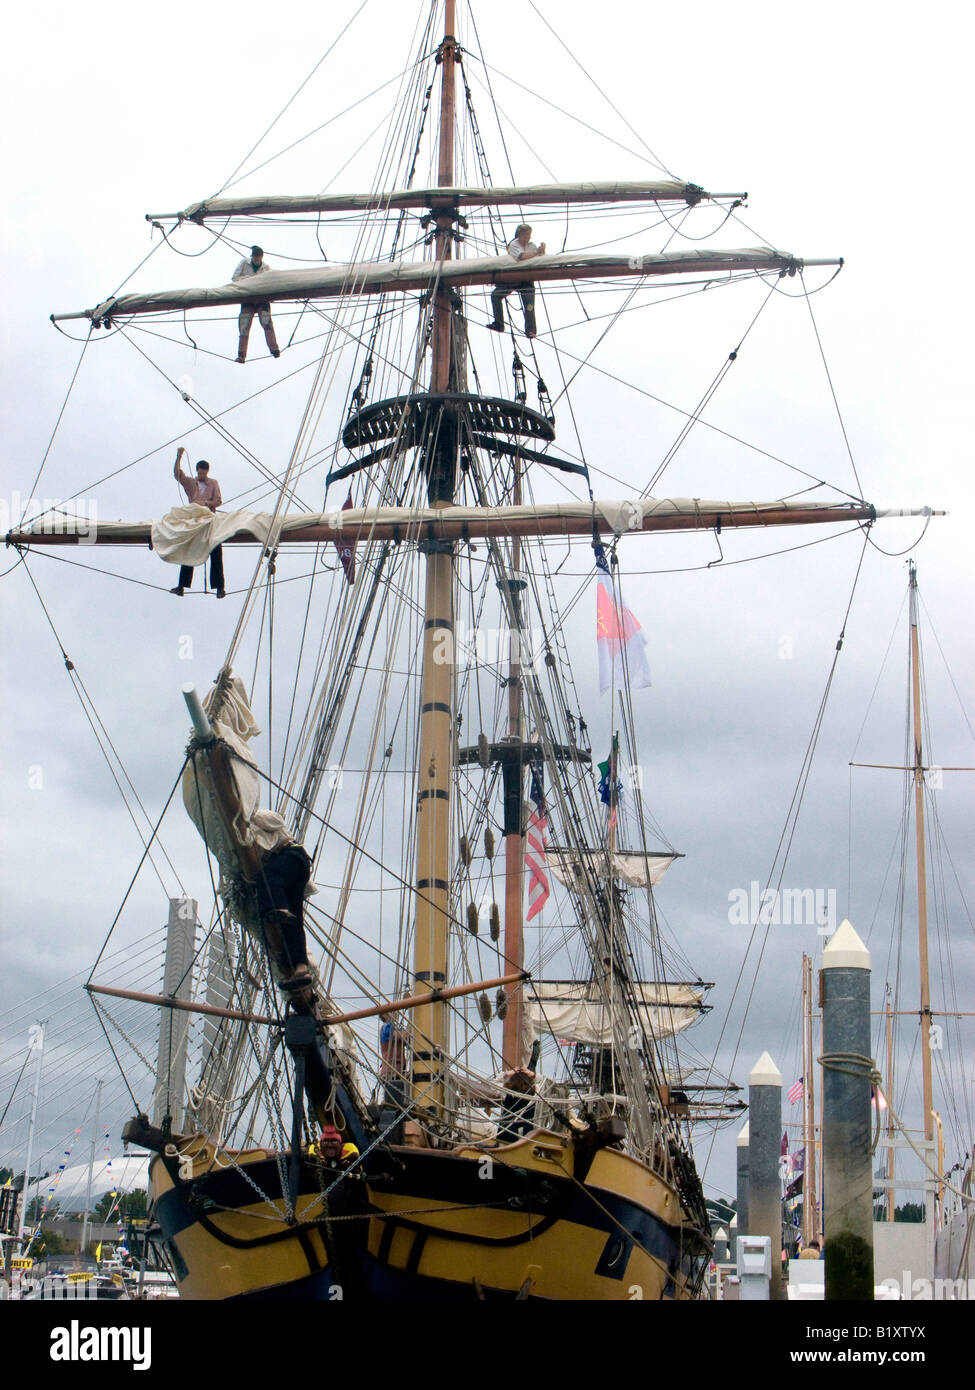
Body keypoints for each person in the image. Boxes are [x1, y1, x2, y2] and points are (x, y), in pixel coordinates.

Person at [256, 837, 315, 1003]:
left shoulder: (262, 819)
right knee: (294, 922)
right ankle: (301, 967)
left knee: (267, 877)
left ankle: (279, 909)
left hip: (293, 856)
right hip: (300, 864)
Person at [170, 448, 226, 597]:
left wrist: (206, 503)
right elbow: (177, 474)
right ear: (197, 471)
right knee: (189, 550)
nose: (202, 476)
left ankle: (219, 588)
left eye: (204, 474)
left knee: (216, 550)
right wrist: (179, 456)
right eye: (200, 473)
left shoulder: (213, 483)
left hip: (208, 520)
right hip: (194, 521)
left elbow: (218, 500)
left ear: (207, 472)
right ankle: (181, 586)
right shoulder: (190, 483)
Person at [488, 224, 547, 337]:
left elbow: (539, 256)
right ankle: (499, 324)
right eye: (526, 235)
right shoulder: (513, 244)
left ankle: (531, 330)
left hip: (527, 279)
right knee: (495, 296)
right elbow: (522, 257)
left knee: (529, 306)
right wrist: (536, 253)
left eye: (529, 235)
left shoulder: (531, 245)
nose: (528, 238)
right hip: (513, 277)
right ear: (519, 235)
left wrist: (542, 250)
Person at [232, 245, 280, 362]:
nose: (257, 261)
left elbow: (271, 282)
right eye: (255, 259)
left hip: (262, 299)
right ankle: (241, 355)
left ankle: (274, 349)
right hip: (247, 299)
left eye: (259, 259)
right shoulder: (244, 263)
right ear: (252, 257)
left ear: (261, 258)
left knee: (266, 322)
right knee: (244, 326)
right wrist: (251, 279)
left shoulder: (266, 268)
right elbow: (234, 278)